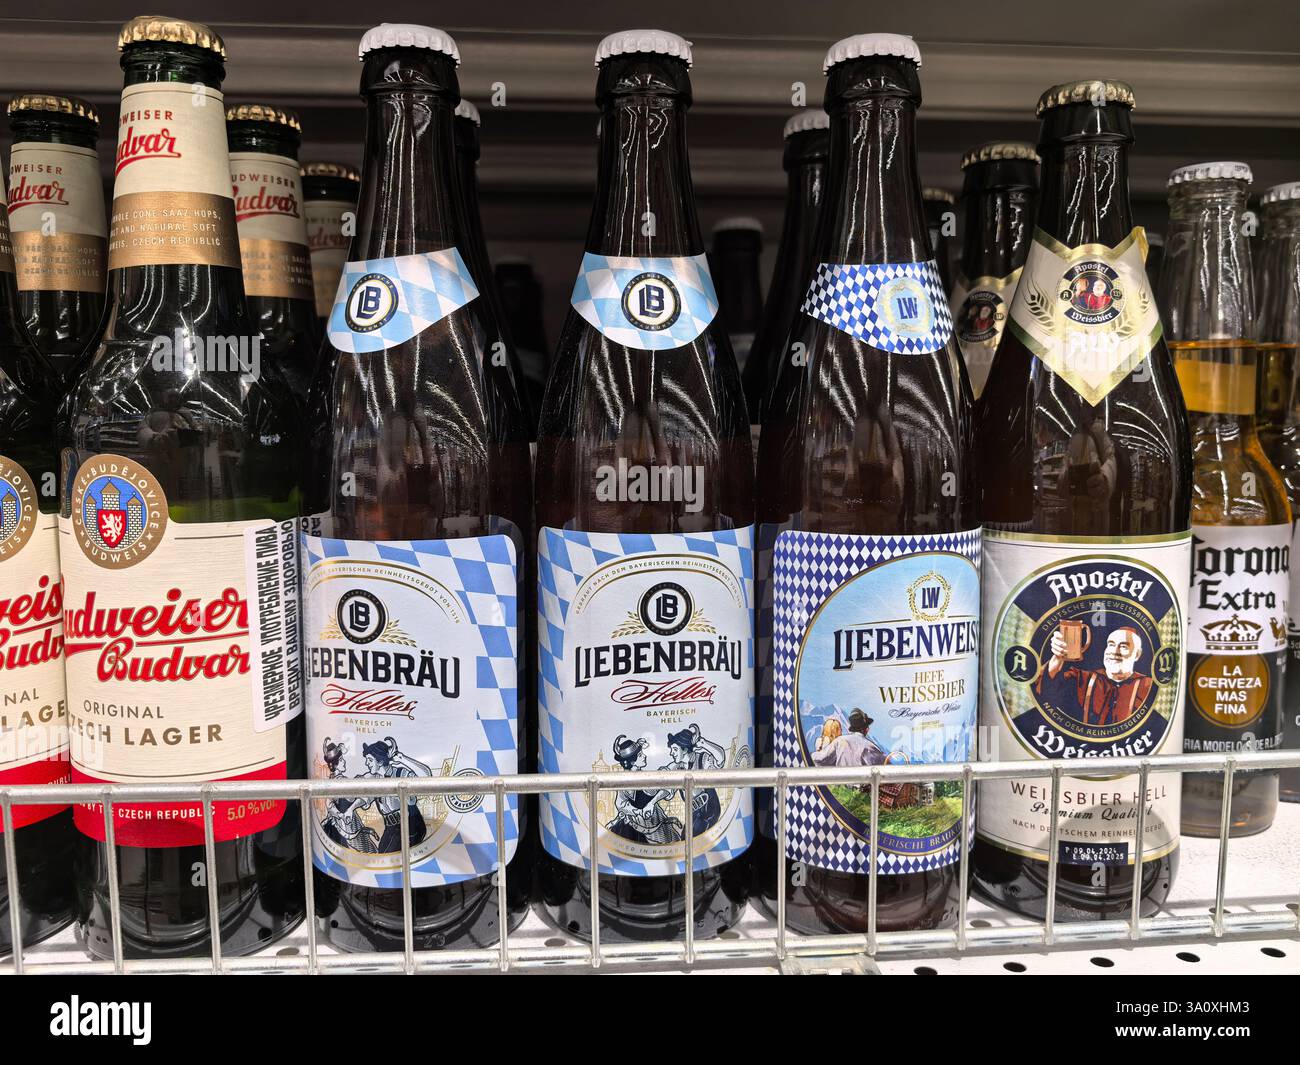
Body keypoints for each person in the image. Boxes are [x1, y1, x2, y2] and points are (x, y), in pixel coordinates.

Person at [1035, 626, 1153, 725]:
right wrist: (1057, 657)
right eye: (1111, 645)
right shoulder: (1084, 679)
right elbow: (1047, 689)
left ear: (1137, 655)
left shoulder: (1149, 686)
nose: (1114, 651)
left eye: (1123, 646)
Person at [351, 737, 433, 853]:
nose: (366, 763)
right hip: (390, 828)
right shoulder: (374, 778)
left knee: (389, 856)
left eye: (369, 760)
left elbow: (427, 777)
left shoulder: (399, 773)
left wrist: (402, 758)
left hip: (410, 825)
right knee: (382, 854)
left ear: (379, 761)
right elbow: (359, 794)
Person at [607, 735, 683, 845]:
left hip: (653, 821)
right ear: (633, 761)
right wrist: (636, 811)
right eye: (640, 755)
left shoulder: (644, 777)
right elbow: (620, 803)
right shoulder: (626, 781)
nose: (644, 756)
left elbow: (666, 787)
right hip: (636, 825)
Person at [319, 738, 380, 853]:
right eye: (341, 759)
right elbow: (360, 797)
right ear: (335, 764)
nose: (344, 762)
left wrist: (337, 814)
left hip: (340, 824)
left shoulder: (333, 779)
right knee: (370, 852)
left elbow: (329, 803)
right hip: (350, 827)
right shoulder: (341, 782)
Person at [665, 724, 727, 836]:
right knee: (685, 839)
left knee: (688, 839)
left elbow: (720, 760)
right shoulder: (676, 768)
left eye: (674, 749)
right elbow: (668, 793)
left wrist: (703, 743)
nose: (671, 753)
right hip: (694, 812)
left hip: (709, 810)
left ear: (684, 749)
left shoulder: (702, 759)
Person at [811, 708, 891, 767]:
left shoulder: (840, 740)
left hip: (841, 785)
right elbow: (885, 764)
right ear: (866, 729)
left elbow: (821, 758)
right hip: (860, 787)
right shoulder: (869, 746)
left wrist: (812, 754)